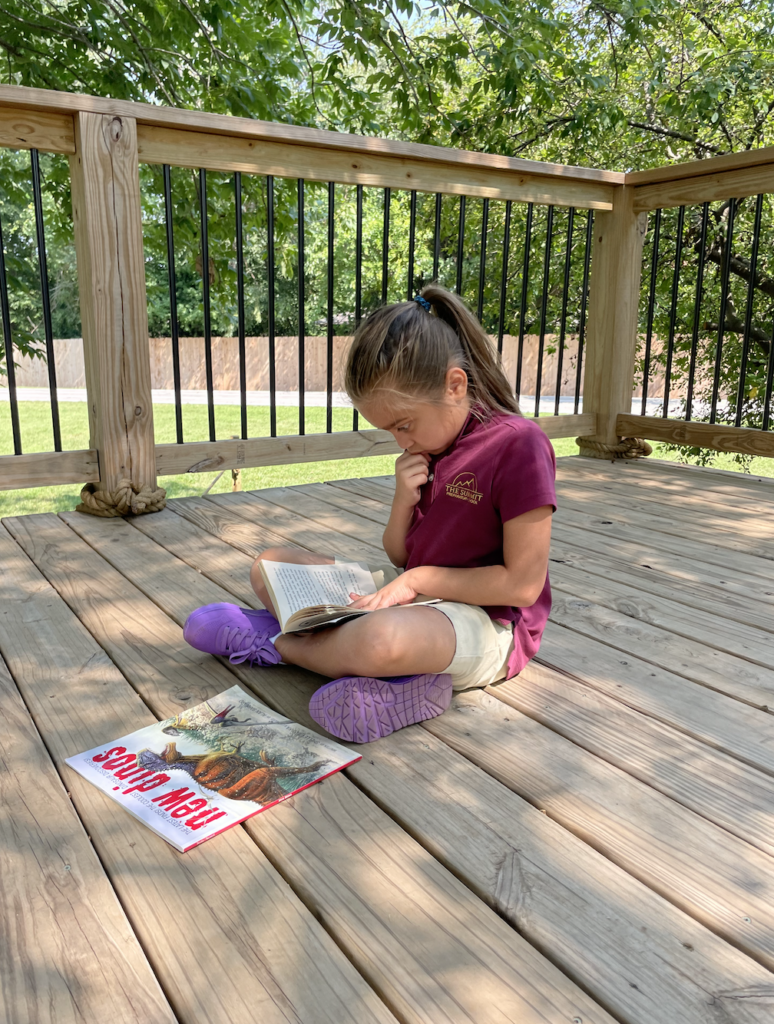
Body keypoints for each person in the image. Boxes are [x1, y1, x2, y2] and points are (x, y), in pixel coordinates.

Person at [184, 285, 556, 744]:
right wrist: (403, 500)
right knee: (269, 564)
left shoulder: (519, 445)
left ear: (455, 386)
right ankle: (403, 683)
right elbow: (400, 555)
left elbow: (522, 586)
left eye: (404, 425)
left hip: (489, 624)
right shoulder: (431, 445)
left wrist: (417, 581)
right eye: (389, 431)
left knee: (378, 640)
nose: (401, 441)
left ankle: (278, 643)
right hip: (415, 601)